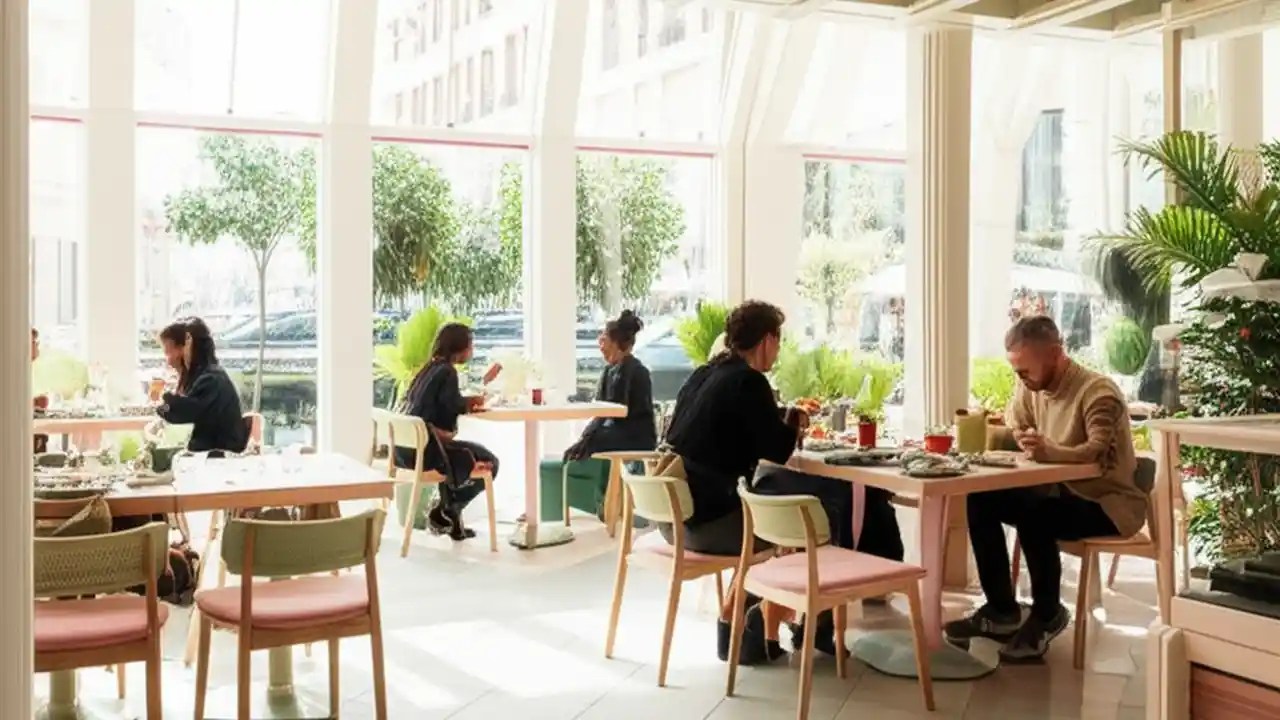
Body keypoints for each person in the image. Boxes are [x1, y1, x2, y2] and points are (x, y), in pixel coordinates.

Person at [662, 300, 892, 663]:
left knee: (785, 502)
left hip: (674, 517)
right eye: (779, 342)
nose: (778, 351)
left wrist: (781, 415)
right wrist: (793, 422)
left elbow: (731, 432)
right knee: (815, 515)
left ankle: (758, 631)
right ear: (767, 340)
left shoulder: (704, 374)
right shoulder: (748, 381)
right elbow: (778, 451)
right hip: (708, 522)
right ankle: (807, 627)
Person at [944, 316, 1147, 662]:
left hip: (1109, 504)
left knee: (1036, 514)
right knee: (981, 499)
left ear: (1055, 354)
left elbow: (1098, 453)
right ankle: (1002, 611)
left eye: (1025, 370)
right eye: (1016, 371)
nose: (1020, 378)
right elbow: (1017, 423)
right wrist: (1015, 437)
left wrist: (1052, 451)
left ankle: (1047, 613)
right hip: (1059, 493)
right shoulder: (1030, 387)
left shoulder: (1098, 393)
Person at [540, 311, 657, 521]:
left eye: (604, 340)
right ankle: (572, 505)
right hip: (614, 432)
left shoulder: (637, 371)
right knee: (584, 443)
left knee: (592, 441)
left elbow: (620, 412)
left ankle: (603, 502)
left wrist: (590, 437)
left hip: (636, 436)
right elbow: (601, 411)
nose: (600, 345)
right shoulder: (609, 371)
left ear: (616, 343)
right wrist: (586, 436)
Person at [394, 323, 500, 542]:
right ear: (459, 347)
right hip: (428, 452)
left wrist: (469, 399)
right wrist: (474, 401)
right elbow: (453, 404)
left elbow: (443, 404)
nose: (471, 351)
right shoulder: (447, 372)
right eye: (470, 346)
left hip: (406, 451)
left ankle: (447, 513)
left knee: (466, 453)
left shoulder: (428, 369)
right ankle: (445, 510)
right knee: (490, 461)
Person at [156, 318, 249, 455]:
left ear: (188, 345)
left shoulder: (211, 379)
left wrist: (163, 397)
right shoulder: (208, 375)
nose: (168, 360)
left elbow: (182, 412)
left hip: (216, 459)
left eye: (168, 352)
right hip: (209, 454)